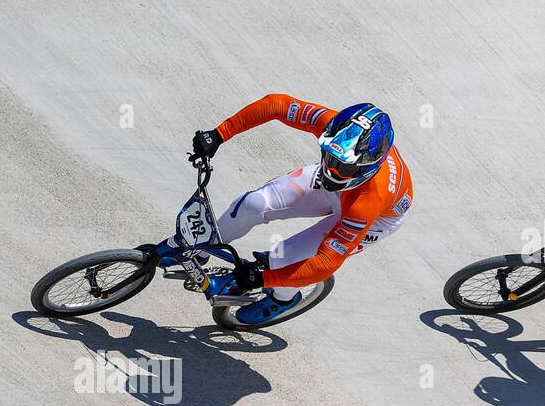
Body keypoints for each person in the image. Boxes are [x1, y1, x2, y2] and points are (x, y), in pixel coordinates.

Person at [160, 93, 413, 324]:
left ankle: (283, 298)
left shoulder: (369, 201)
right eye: (329, 156)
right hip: (343, 190)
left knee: (283, 258)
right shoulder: (334, 128)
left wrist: (263, 279)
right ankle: (201, 247)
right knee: (253, 204)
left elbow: (326, 262)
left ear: (367, 167)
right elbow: (276, 105)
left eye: (343, 167)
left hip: (375, 215)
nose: (332, 170)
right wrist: (220, 134)